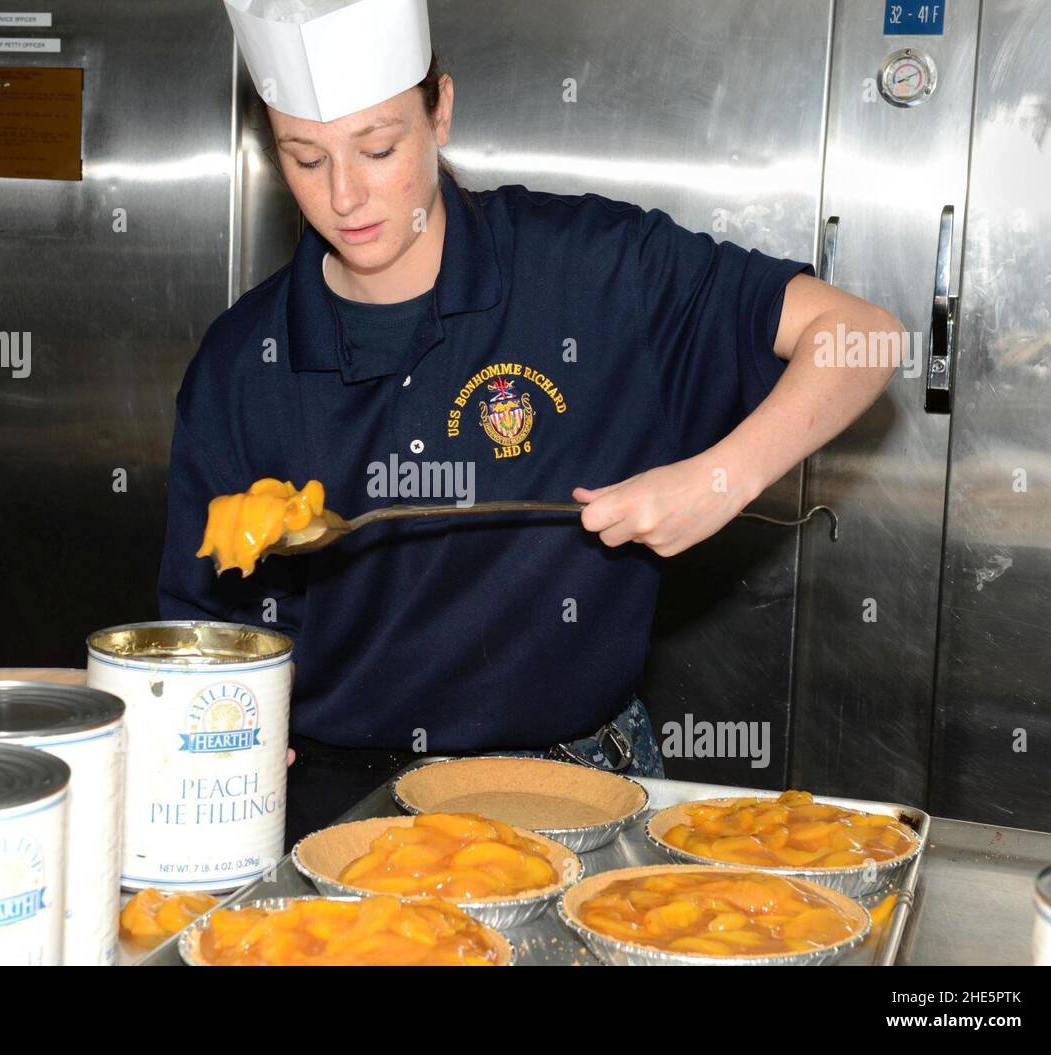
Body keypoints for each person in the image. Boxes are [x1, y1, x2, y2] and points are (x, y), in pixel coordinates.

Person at [160, 0, 902, 846]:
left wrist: (719, 477)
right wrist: (224, 737)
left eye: (379, 148)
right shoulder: (238, 363)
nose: (346, 194)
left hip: (574, 784)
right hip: (334, 806)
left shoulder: (593, 268)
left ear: (440, 109)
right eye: (306, 157)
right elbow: (205, 638)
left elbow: (862, 335)